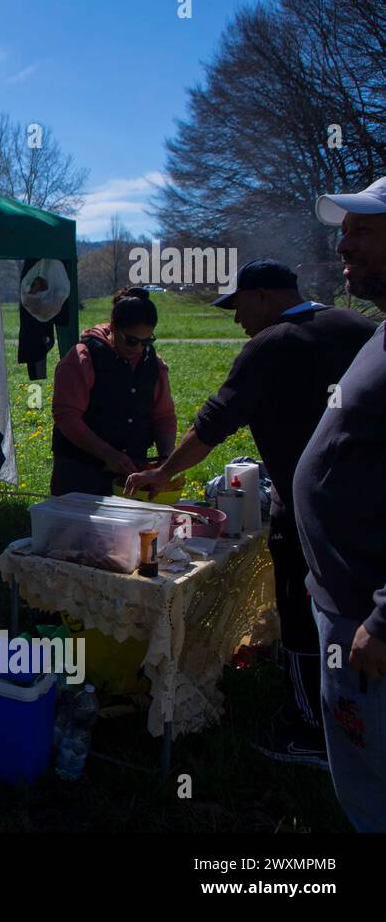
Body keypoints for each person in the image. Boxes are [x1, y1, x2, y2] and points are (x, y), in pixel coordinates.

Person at [127, 259, 375, 768]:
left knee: (305, 612)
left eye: (237, 306)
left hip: (308, 513)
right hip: (373, 507)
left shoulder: (272, 345)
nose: (236, 319)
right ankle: (364, 716)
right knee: (362, 610)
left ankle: (315, 729)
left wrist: (162, 473)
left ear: (261, 296)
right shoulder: (360, 327)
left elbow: (212, 425)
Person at [292, 177, 386, 831]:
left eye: (363, 228)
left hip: (368, 629)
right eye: (343, 228)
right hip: (346, 609)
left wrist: (384, 622)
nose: (343, 240)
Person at [50, 287, 177, 495]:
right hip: (80, 472)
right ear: (113, 327)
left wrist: (165, 458)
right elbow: (66, 416)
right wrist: (107, 453)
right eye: (132, 341)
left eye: (146, 342)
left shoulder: (154, 364)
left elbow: (163, 415)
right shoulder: (81, 359)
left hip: (130, 473)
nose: (138, 349)